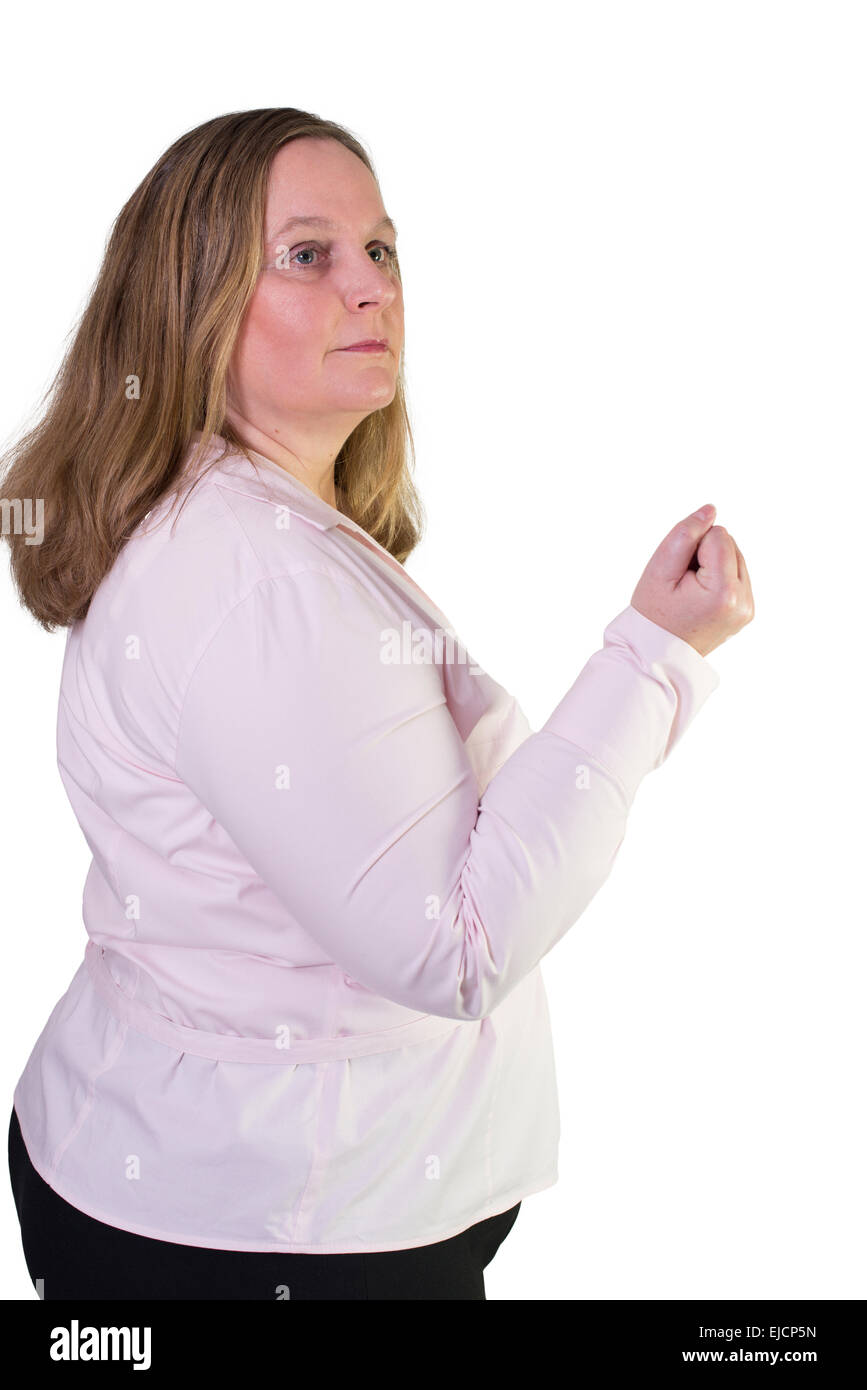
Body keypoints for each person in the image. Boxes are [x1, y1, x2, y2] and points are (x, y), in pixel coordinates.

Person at [0, 108, 754, 1301]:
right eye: (309, 255)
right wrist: (656, 658)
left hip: (210, 1191)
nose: (372, 289)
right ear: (191, 306)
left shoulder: (241, 524)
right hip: (268, 1237)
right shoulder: (257, 583)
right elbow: (453, 949)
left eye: (382, 250)